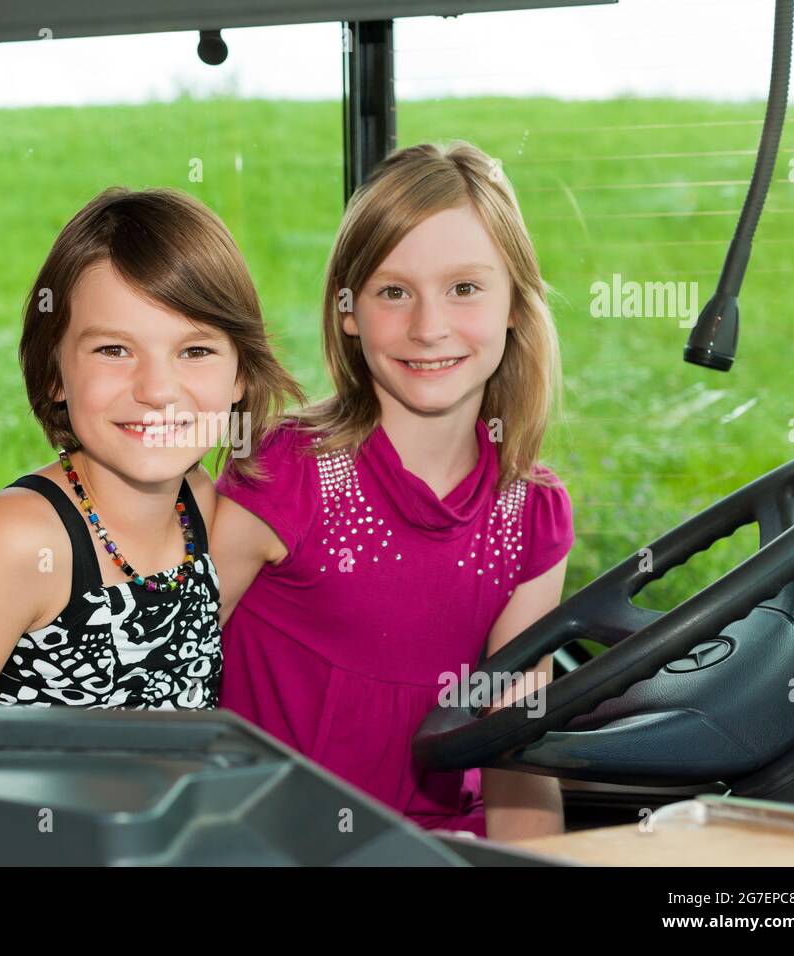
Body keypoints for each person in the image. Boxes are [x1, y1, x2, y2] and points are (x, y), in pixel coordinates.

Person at [211, 142, 573, 840]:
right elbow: (167, 678)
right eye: (393, 292)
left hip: (438, 846)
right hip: (269, 843)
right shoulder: (286, 474)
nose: (428, 327)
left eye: (465, 289)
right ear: (349, 311)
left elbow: (515, 755)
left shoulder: (531, 516)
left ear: (515, 307)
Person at [0, 186, 303, 708]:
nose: (156, 390)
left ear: (241, 375)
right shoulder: (16, 542)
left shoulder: (198, 505)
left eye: (195, 350)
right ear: (54, 373)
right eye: (114, 349)